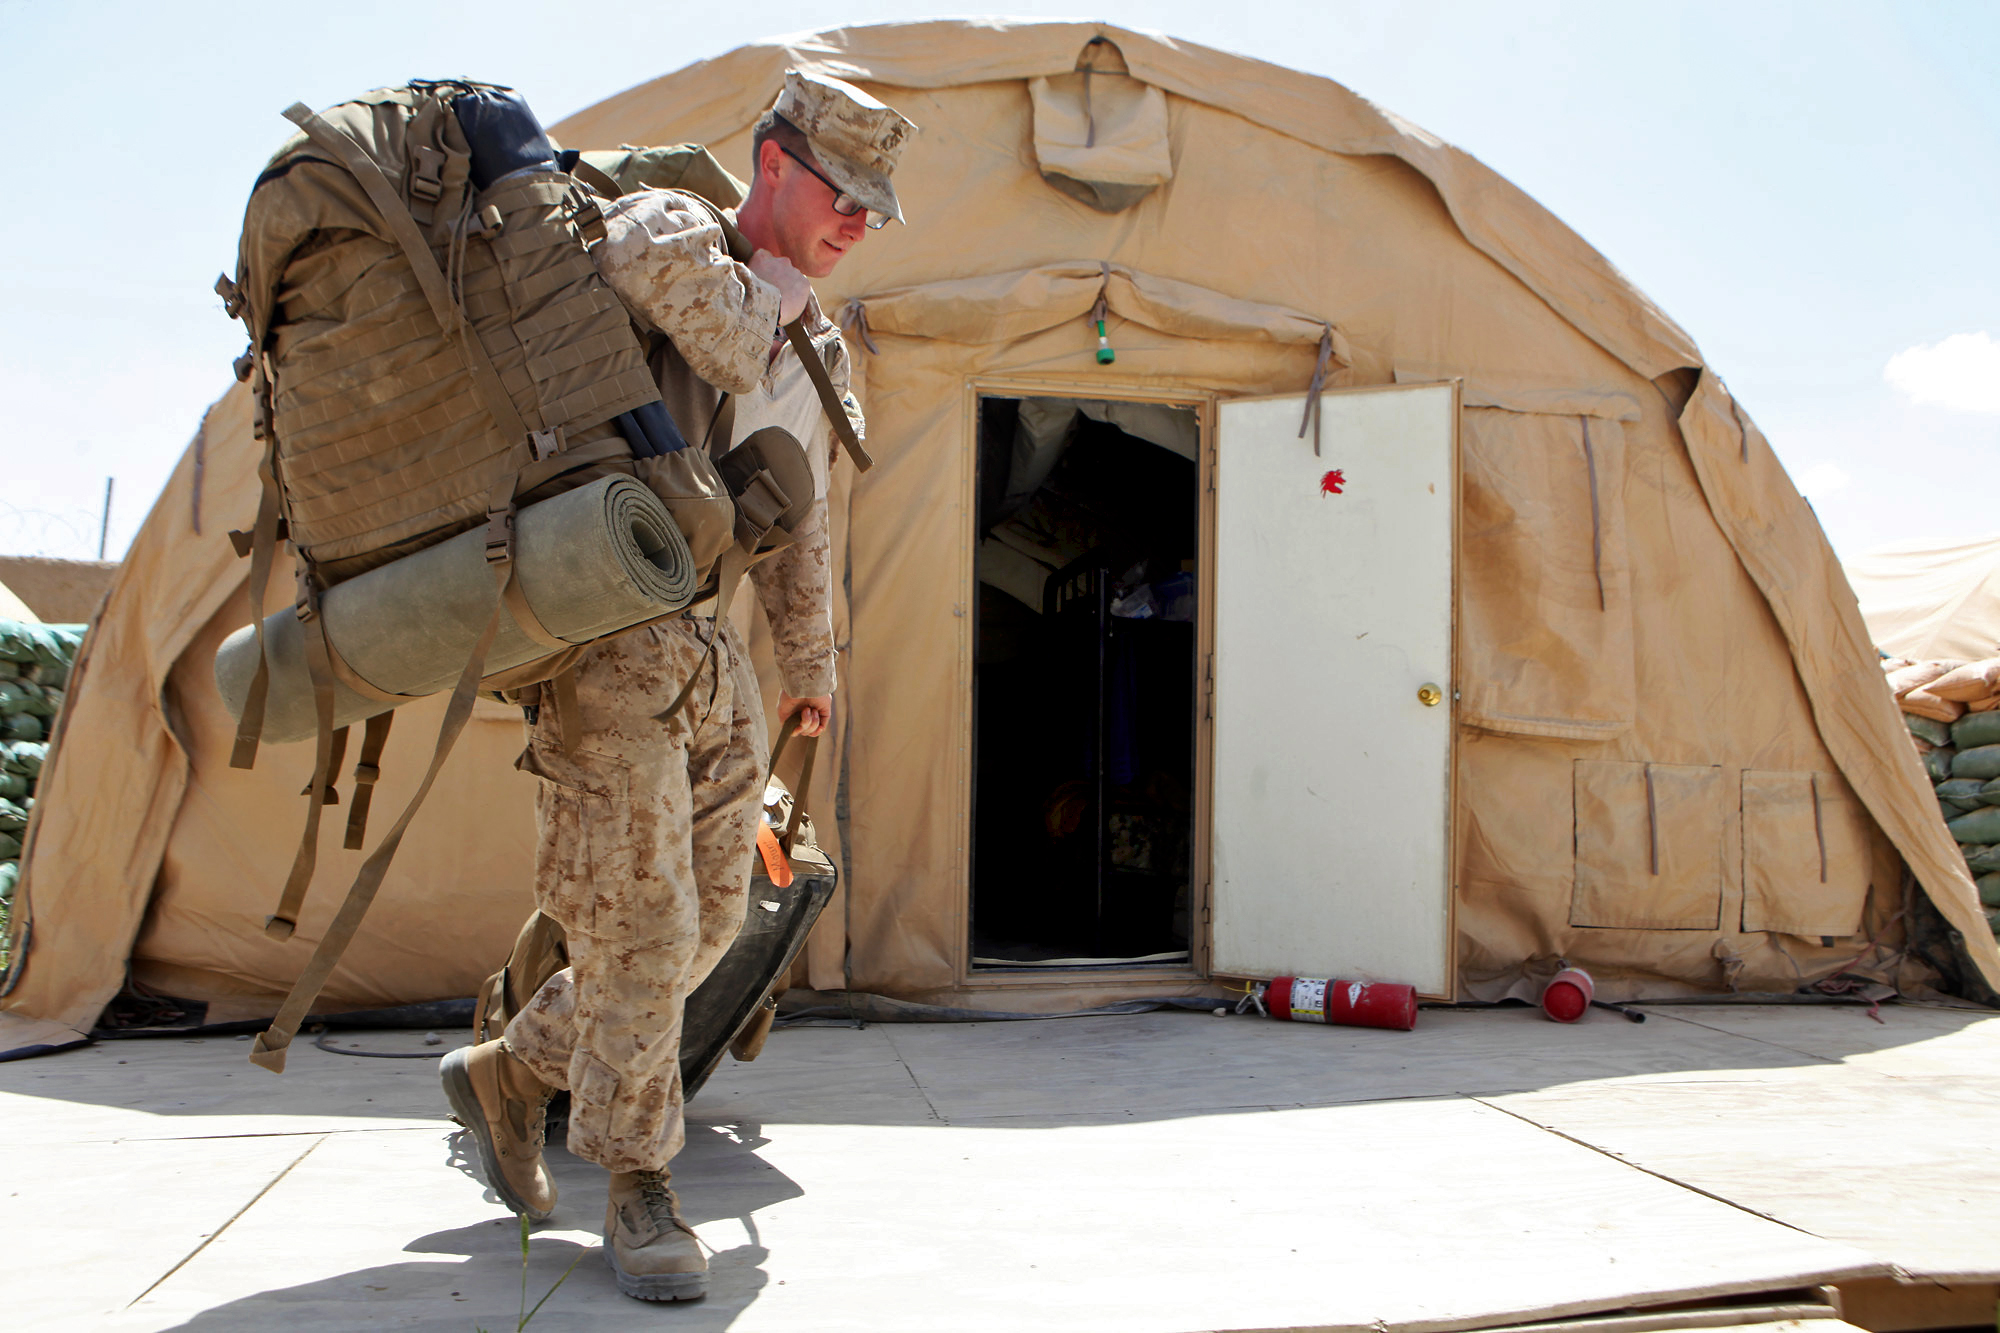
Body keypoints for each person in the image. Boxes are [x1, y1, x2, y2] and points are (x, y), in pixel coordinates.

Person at [440, 70, 917, 1303]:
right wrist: (796, 329)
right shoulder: (663, 230)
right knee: (643, 922)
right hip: (606, 642)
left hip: (707, 652)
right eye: (839, 190)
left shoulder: (814, 345)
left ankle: (511, 1070)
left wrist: (811, 668)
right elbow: (721, 334)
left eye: (877, 203)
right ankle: (638, 1187)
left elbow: (801, 515)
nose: (858, 220)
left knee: (709, 927)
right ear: (770, 164)